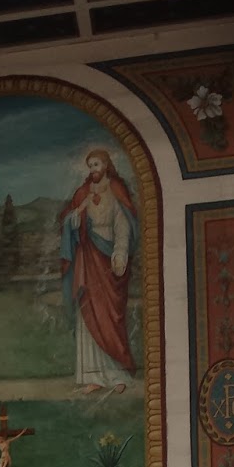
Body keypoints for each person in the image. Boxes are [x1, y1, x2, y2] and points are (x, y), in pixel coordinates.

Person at [59, 149, 138, 395]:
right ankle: (92, 376)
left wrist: (120, 253)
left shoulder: (116, 191)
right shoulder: (83, 193)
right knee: (88, 314)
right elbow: (68, 223)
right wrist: (76, 214)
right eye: (90, 165)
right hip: (86, 261)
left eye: (96, 164)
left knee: (110, 316)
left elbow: (123, 224)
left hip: (108, 262)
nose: (93, 169)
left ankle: (116, 374)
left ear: (106, 165)